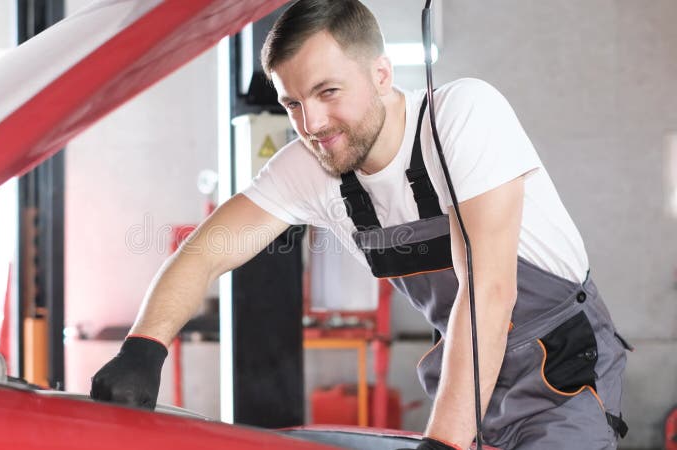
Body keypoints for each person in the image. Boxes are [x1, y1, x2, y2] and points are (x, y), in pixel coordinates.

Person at [90, 1, 630, 448]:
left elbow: (488, 292)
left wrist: (443, 444)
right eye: (292, 103)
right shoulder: (312, 166)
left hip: (561, 364)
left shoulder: (464, 116)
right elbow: (207, 252)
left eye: (329, 93)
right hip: (465, 370)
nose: (312, 124)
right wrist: (144, 347)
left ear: (381, 74)